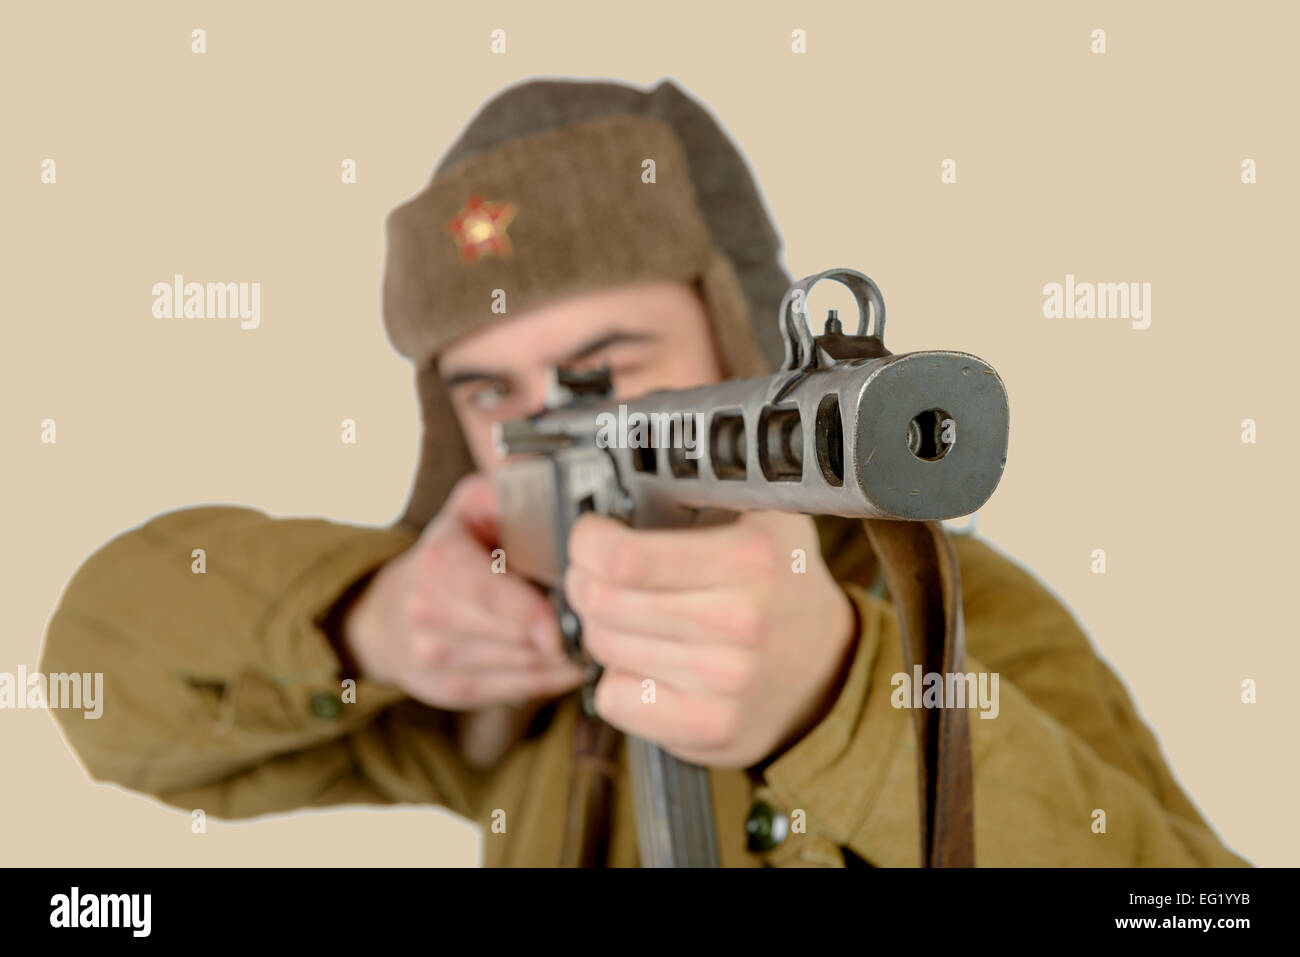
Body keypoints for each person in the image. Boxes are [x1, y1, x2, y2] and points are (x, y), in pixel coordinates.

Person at [40, 77, 1248, 867]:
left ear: (731, 341)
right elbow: (101, 679)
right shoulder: (510, 664)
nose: (543, 428)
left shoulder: (949, 627)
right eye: (486, 393)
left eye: (600, 369)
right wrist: (368, 625)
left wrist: (846, 707)